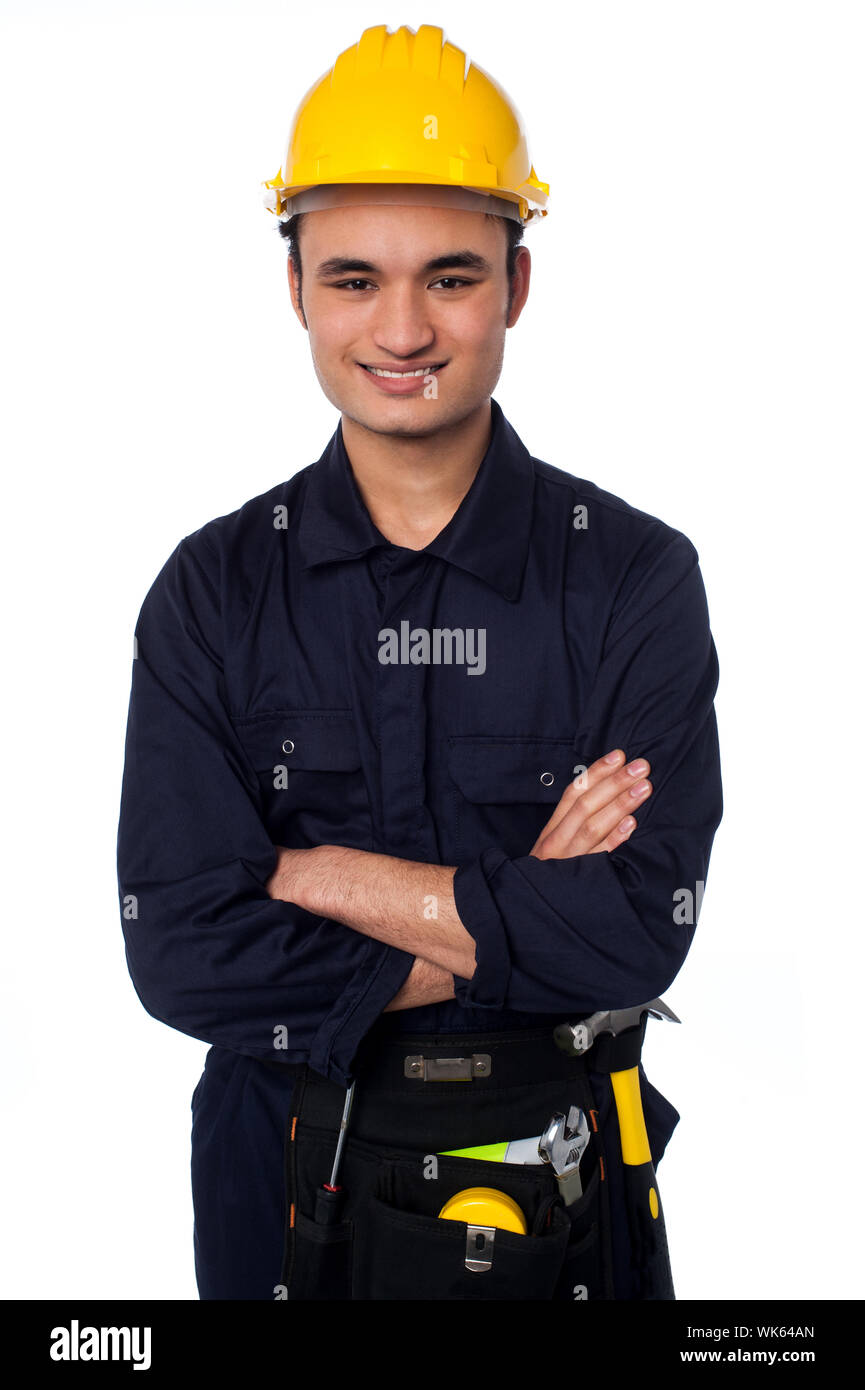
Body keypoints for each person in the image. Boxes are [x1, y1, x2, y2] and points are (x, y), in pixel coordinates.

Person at [117, 22, 722, 1301]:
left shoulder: (630, 580)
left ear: (515, 282)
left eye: (449, 276)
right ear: (293, 288)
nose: (402, 329)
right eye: (352, 279)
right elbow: (180, 945)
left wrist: (311, 874)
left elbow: (631, 937)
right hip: (283, 1173)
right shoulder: (211, 595)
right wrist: (504, 913)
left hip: (565, 1182)